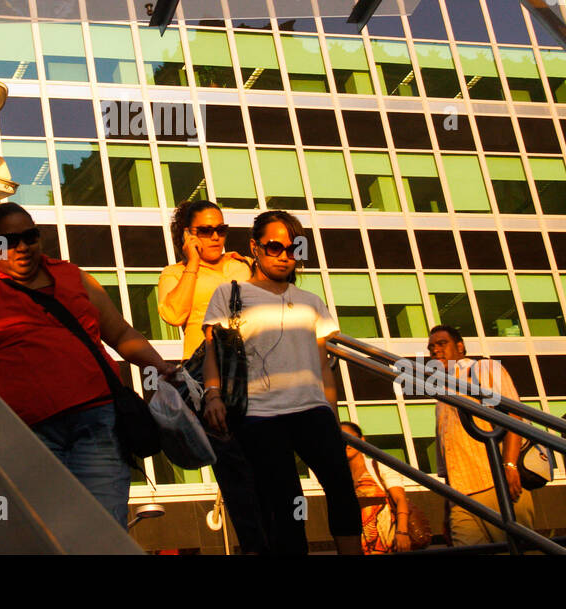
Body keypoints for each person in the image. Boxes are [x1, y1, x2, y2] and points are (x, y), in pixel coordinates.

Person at [0, 202, 176, 525]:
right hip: (25, 435)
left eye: (30, 236)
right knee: (47, 532)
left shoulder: (74, 277)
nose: (22, 247)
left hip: (98, 423)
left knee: (102, 529)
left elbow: (120, 333)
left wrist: (161, 366)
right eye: (10, 241)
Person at [199, 210, 362, 555]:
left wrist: (332, 417)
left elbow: (323, 367)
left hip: (312, 410)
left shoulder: (311, 302)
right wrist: (212, 395)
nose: (285, 255)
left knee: (342, 487)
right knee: (286, 501)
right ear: (255, 248)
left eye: (293, 248)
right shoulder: (230, 294)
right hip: (260, 415)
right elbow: (214, 351)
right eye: (275, 247)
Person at [156, 199, 267, 553]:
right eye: (206, 230)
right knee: (234, 470)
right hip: (208, 380)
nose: (216, 236)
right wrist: (192, 263)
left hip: (256, 376)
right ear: (188, 235)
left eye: (221, 229)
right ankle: (255, 547)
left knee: (266, 464)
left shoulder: (242, 265)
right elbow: (174, 314)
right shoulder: (174, 274)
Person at [427, 324, 536, 546]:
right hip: (460, 496)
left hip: (496, 482)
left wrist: (510, 466)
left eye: (442, 344)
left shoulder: (483, 369)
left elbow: (514, 417)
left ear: (460, 346)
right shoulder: (442, 391)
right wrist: (447, 507)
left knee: (518, 549)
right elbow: (448, 452)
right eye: (431, 348)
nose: (435, 350)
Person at [340, 421, 415, 554]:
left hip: (389, 542)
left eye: (349, 438)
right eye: (340, 440)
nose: (345, 444)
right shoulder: (341, 477)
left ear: (361, 440)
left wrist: (402, 532)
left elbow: (400, 499)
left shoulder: (378, 466)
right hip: (357, 546)